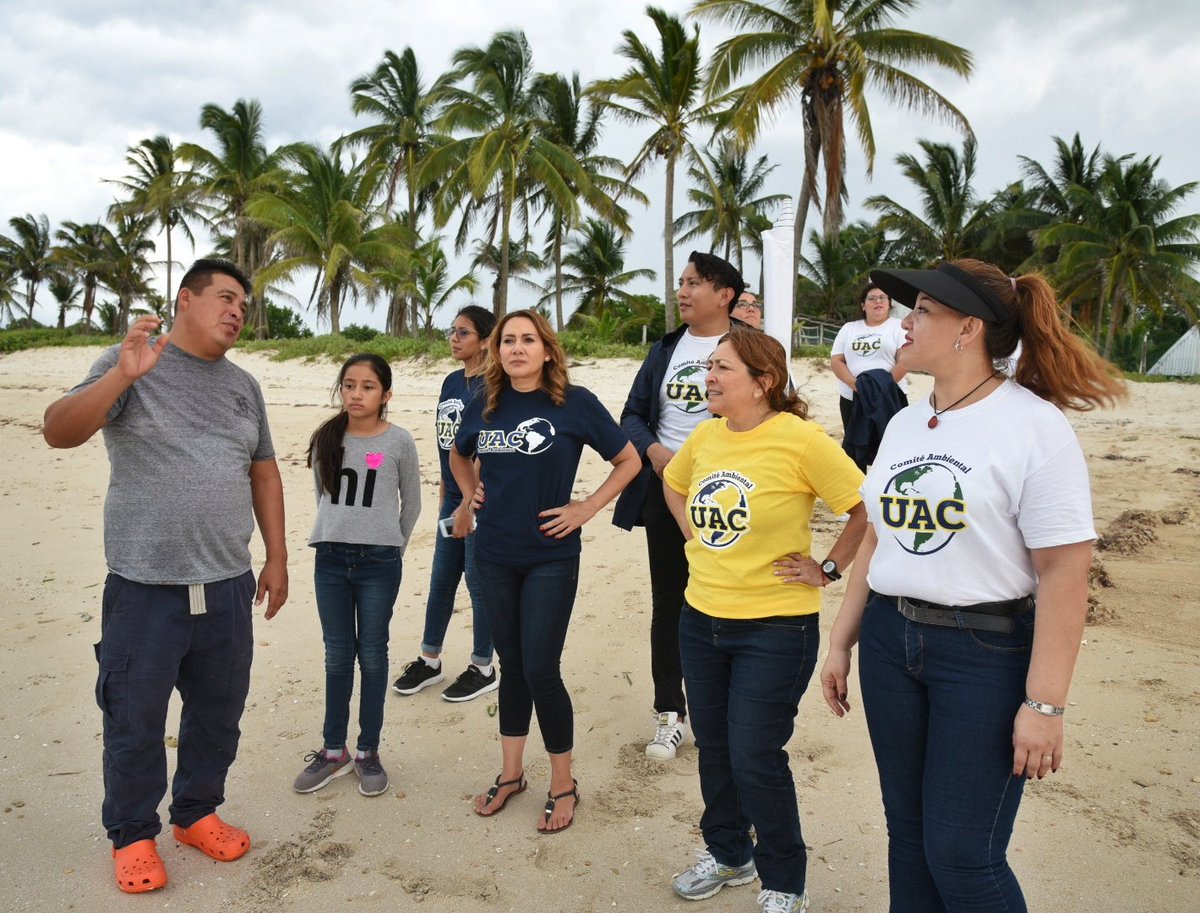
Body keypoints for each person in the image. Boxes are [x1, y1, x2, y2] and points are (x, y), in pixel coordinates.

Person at [819, 259, 1125, 912]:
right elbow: (879, 533)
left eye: (923, 309)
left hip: (983, 654)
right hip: (889, 641)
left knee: (964, 853)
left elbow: (1065, 571)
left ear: (968, 329)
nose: (906, 320)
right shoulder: (905, 422)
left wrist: (1045, 704)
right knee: (908, 836)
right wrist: (843, 639)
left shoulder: (1034, 427)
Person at [42, 259, 288, 894]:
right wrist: (120, 378)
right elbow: (58, 431)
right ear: (186, 300)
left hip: (228, 582)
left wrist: (278, 557)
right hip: (145, 587)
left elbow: (264, 470)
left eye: (244, 302)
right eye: (225, 297)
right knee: (135, 717)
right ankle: (133, 834)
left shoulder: (244, 387)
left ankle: (196, 813)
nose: (237, 310)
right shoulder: (132, 362)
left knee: (217, 713)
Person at [663, 328, 867, 913]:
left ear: (763, 382)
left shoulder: (800, 440)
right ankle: (729, 855)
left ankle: (785, 880)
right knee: (716, 749)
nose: (710, 377)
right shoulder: (704, 436)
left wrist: (826, 568)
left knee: (756, 753)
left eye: (723, 368)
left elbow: (863, 508)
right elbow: (674, 486)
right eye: (709, 367)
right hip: (701, 618)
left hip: (776, 628)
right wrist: (693, 535)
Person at [451, 309, 639, 833]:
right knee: (511, 665)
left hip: (551, 557)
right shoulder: (484, 403)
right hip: (493, 553)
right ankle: (511, 776)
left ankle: (563, 784)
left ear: (548, 349)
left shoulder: (574, 404)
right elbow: (457, 454)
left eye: (527, 340)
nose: (516, 348)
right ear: (496, 350)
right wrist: (470, 494)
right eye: (507, 340)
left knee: (540, 667)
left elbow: (629, 460)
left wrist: (586, 508)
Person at [613, 251, 745, 760]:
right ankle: (669, 712)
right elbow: (631, 414)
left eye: (694, 283)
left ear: (725, 294)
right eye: (682, 282)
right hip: (668, 492)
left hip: (732, 496)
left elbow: (780, 413)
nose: (682, 291)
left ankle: (728, 711)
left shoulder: (753, 347)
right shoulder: (665, 349)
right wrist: (656, 452)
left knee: (729, 602)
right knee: (669, 602)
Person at [292, 354, 421, 798]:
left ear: (385, 395)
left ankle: (368, 751)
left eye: (367, 387)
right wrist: (341, 533)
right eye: (349, 385)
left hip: (379, 563)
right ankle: (333, 751)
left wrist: (392, 547)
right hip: (329, 557)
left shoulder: (400, 441)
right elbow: (320, 497)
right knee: (336, 655)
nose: (356, 394)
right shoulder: (327, 437)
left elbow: (414, 503)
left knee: (373, 653)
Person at [393, 305, 499, 702]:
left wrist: (469, 504)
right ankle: (430, 659)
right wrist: (444, 495)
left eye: (464, 332)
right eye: (452, 331)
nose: (454, 338)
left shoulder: (492, 385)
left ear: (485, 341)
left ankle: (483, 666)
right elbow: (446, 447)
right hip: (451, 497)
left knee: (477, 583)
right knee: (441, 580)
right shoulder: (452, 382)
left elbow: (484, 449)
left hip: (477, 501)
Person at [830, 283, 908, 435]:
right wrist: (857, 385)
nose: (878, 301)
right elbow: (836, 360)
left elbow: (904, 360)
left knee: (890, 441)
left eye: (882, 298)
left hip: (889, 395)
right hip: (852, 396)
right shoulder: (849, 328)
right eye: (872, 298)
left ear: (889, 303)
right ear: (863, 305)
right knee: (856, 444)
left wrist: (880, 387)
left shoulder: (898, 326)